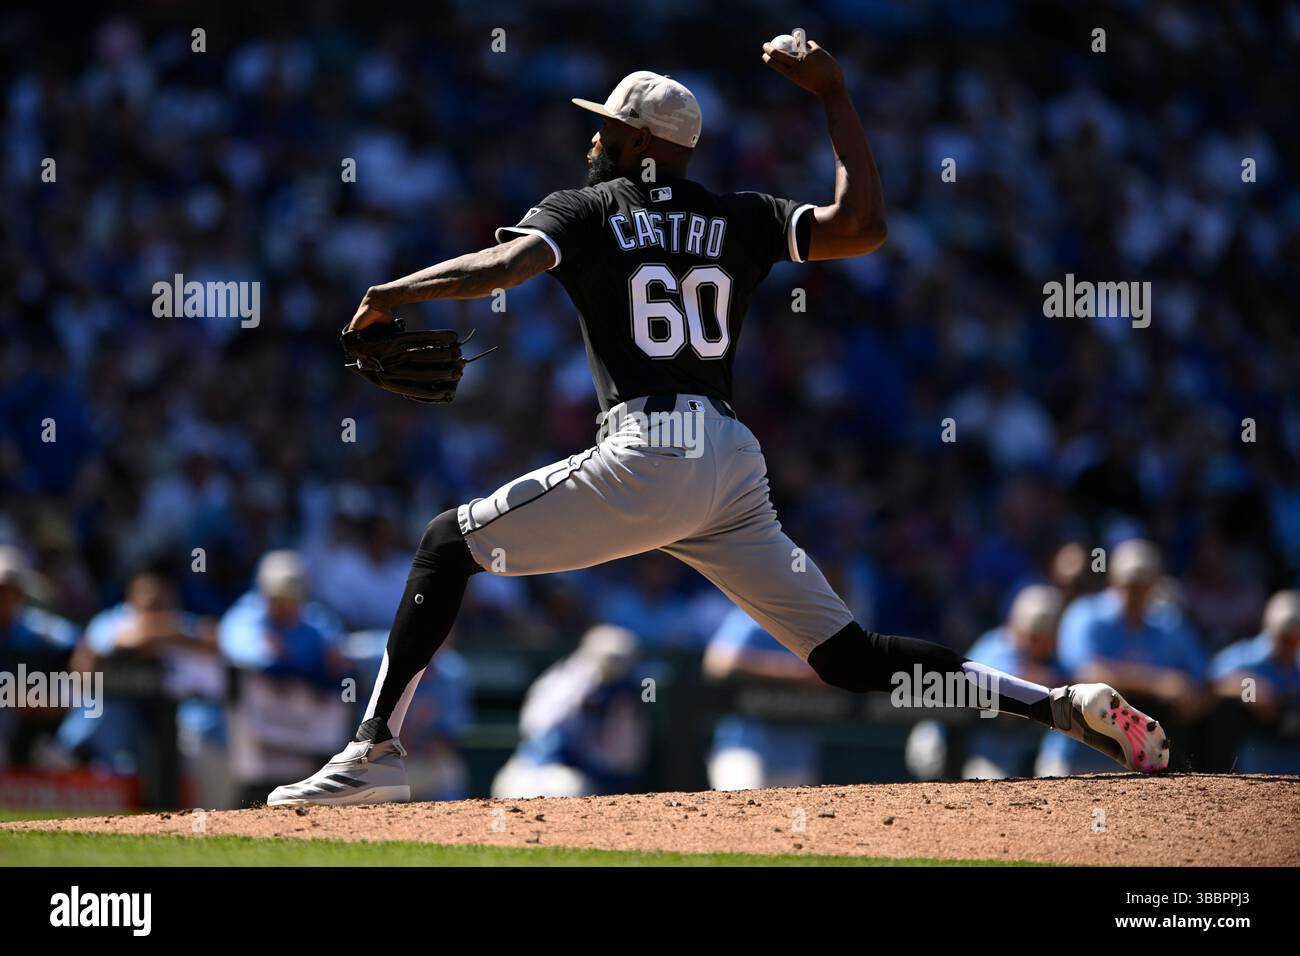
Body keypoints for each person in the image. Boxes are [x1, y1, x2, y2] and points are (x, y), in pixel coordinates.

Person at [270, 42, 1167, 806]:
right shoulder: (739, 217)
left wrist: (394, 289)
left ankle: (375, 752)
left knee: (443, 544)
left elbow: (503, 265)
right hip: (730, 461)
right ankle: (1057, 705)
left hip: (649, 450)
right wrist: (836, 97)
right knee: (850, 656)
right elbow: (864, 225)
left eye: (606, 126)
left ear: (638, 142)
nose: (593, 136)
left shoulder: (588, 208)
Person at [491, 625, 648, 798]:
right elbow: (540, 730)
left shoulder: (623, 690)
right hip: (538, 775)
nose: (616, 666)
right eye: (611, 659)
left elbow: (626, 759)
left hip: (569, 774)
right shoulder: (570, 682)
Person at [703, 608, 824, 790]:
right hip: (743, 746)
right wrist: (789, 671)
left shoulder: (816, 623)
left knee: (796, 816)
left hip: (795, 751)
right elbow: (718, 662)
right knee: (738, 810)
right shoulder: (752, 615)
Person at [1209, 590, 1300, 773]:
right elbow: (1211, 681)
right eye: (1283, 634)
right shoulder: (1249, 657)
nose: (1288, 642)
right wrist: (1250, 690)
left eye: (1294, 635)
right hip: (1257, 748)